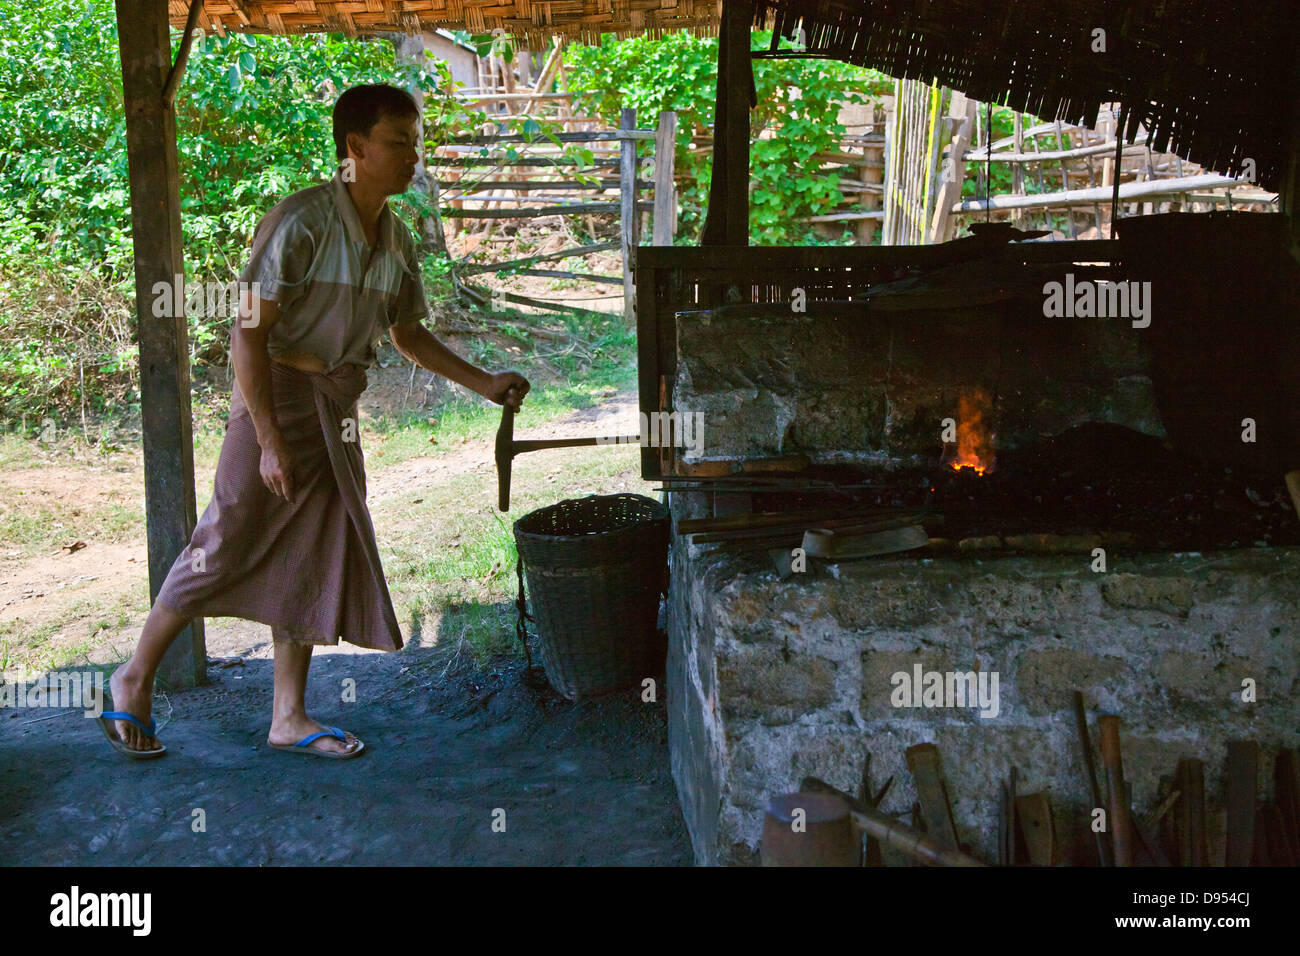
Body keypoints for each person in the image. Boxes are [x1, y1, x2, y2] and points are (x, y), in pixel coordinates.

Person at [98, 84, 529, 759]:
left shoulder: (396, 237)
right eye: (398, 143)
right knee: (226, 536)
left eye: (415, 143)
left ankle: (288, 717)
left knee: (310, 548)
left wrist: (485, 383)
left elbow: (409, 335)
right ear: (355, 149)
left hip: (337, 409)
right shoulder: (300, 223)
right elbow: (247, 335)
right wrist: (267, 440)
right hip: (276, 398)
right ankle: (134, 675)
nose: (412, 157)